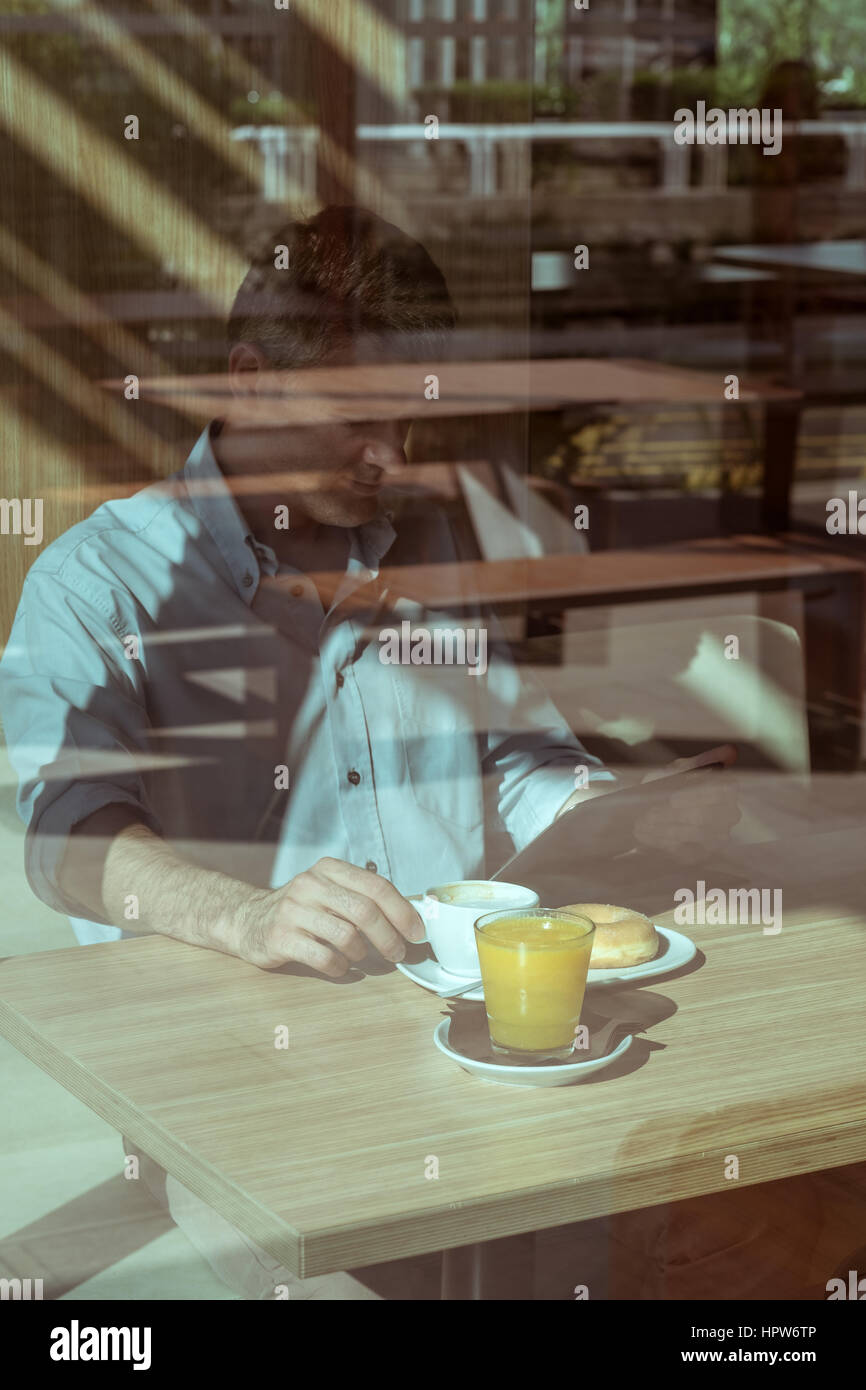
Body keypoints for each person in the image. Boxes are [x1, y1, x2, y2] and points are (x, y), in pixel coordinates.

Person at [0, 206, 744, 1299]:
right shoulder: (97, 582)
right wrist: (245, 914)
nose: (390, 460)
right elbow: (67, 836)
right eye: (359, 419)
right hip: (251, 1101)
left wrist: (606, 807)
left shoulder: (427, 554)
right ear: (250, 382)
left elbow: (512, 758)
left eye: (411, 422)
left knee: (730, 1229)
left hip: (490, 1058)